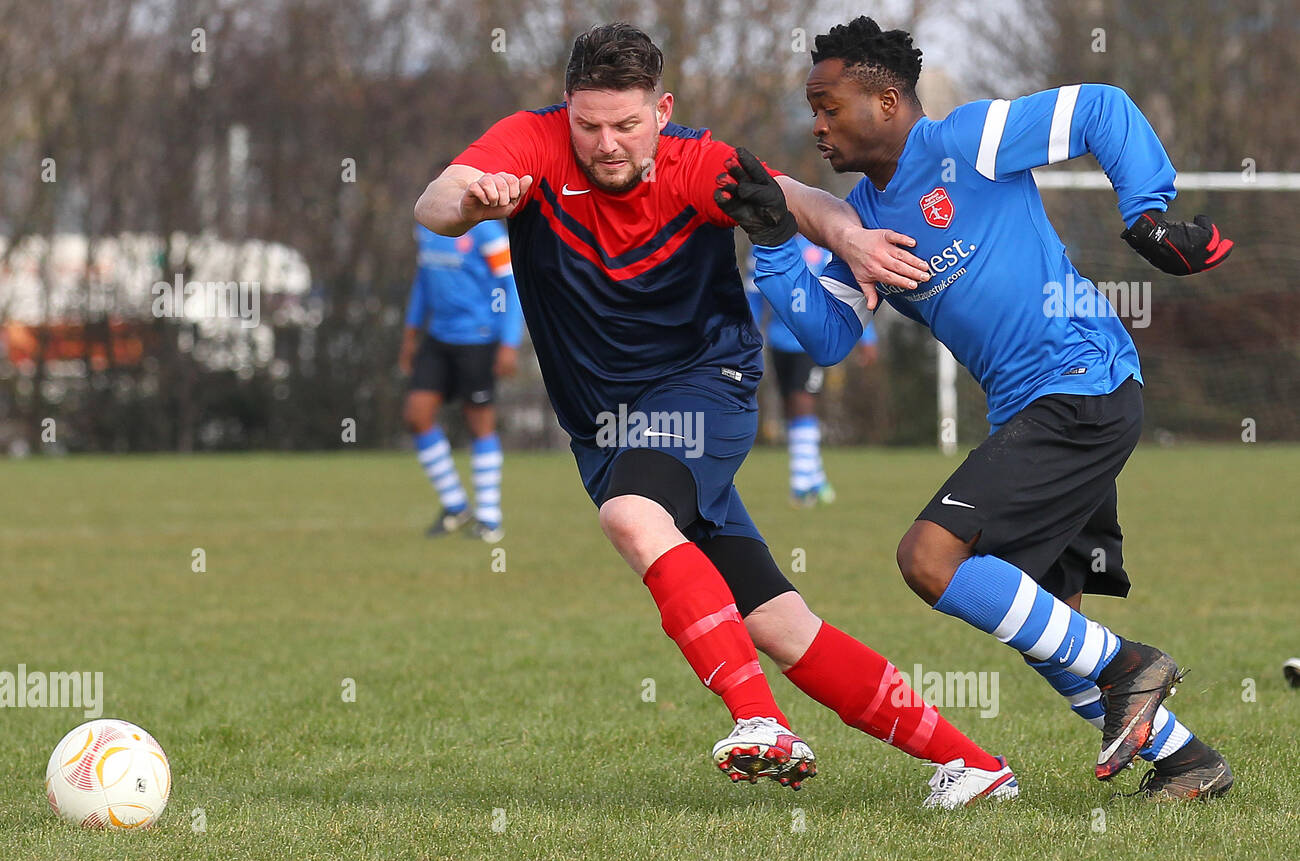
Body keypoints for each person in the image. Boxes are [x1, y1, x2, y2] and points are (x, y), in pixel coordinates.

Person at [415, 22, 1020, 807]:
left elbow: (798, 203)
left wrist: (856, 240)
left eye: (626, 124)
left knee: (633, 517)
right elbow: (433, 206)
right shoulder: (530, 144)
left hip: (707, 385)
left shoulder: (699, 162)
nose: (605, 143)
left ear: (662, 111)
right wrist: (473, 199)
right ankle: (975, 765)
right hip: (604, 427)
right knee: (777, 623)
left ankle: (760, 721)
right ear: (566, 109)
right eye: (589, 124)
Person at [736, 16, 1234, 799]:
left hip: (1082, 384)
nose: (818, 124)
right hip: (1041, 412)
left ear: (889, 99)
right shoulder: (863, 221)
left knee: (929, 561)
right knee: (1046, 621)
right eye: (813, 108)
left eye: (829, 105)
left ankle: (1131, 666)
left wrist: (1146, 213)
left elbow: (1101, 108)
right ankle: (1188, 762)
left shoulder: (966, 140)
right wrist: (770, 244)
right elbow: (828, 336)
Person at [399, 218, 524, 543]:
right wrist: (411, 333)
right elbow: (423, 281)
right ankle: (456, 505)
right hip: (438, 339)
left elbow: (512, 284)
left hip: (478, 339)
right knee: (416, 416)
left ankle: (489, 518)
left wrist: (510, 342)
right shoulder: (427, 228)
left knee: (479, 422)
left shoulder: (486, 233)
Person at [745, 235, 877, 507]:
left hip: (813, 340)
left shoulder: (822, 241)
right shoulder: (764, 241)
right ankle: (813, 477)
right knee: (790, 407)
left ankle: (801, 484)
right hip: (779, 341)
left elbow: (849, 292)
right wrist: (750, 331)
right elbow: (754, 295)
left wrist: (867, 337)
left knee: (803, 402)